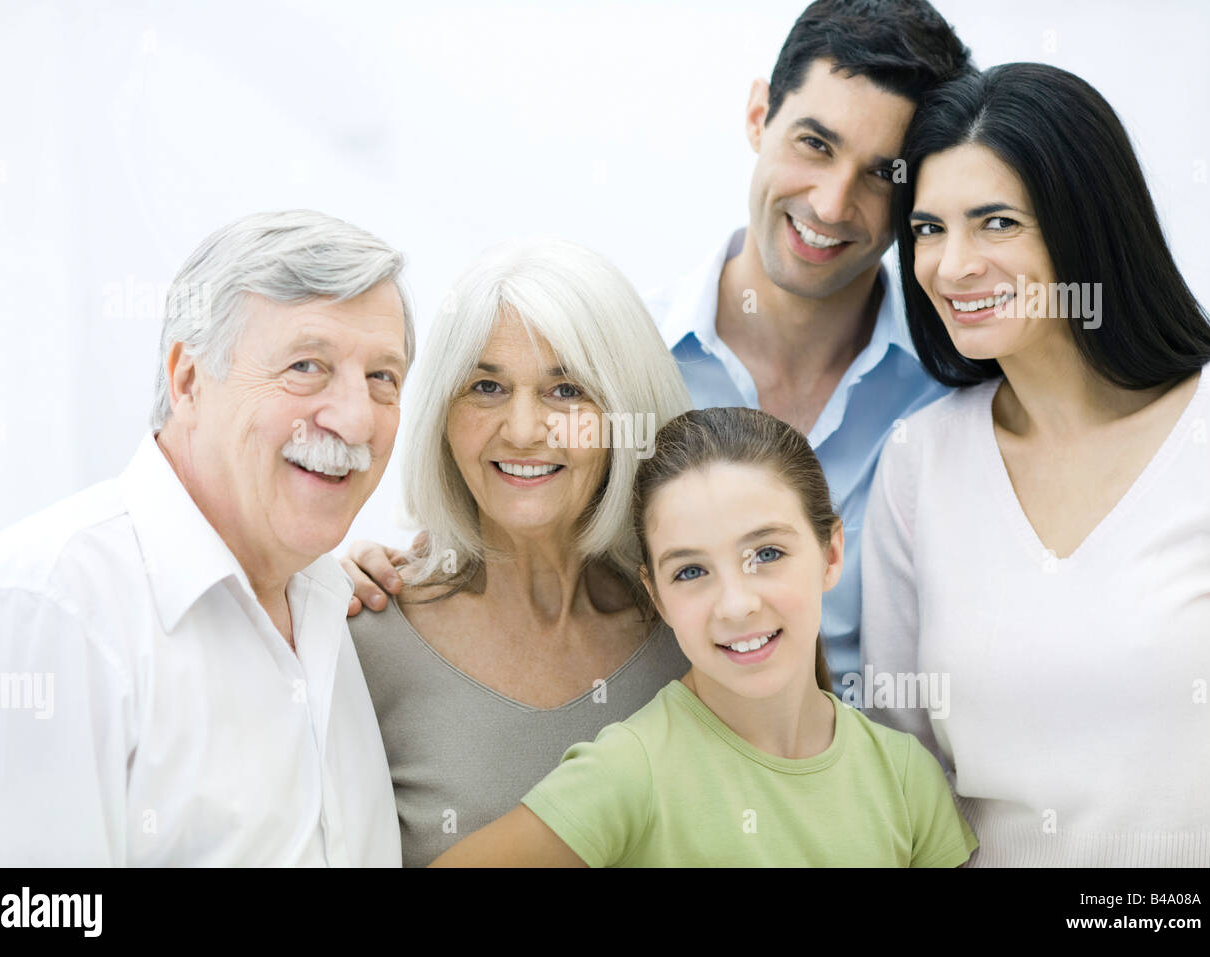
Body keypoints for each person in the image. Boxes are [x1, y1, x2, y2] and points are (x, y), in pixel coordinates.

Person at [345, 0, 975, 694]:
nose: (829, 203)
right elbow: (500, 551)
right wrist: (370, 574)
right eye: (814, 144)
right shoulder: (606, 364)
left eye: (880, 174)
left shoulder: (955, 393)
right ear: (759, 115)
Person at [860, 62, 1210, 866]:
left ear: (1085, 223)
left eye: (995, 222)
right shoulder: (918, 462)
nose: (953, 264)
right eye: (928, 229)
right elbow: (905, 764)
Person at [0, 210, 412, 866]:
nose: (356, 418)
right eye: (307, 365)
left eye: (382, 378)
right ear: (188, 380)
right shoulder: (46, 604)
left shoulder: (334, 601)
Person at [430, 407, 978, 866]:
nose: (737, 604)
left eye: (766, 554)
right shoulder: (629, 772)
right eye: (691, 572)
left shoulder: (906, 779)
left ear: (831, 554)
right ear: (658, 595)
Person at [348, 238, 693, 865]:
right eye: (486, 386)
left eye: (566, 391)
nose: (525, 429)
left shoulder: (695, 634)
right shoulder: (362, 636)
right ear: (443, 418)